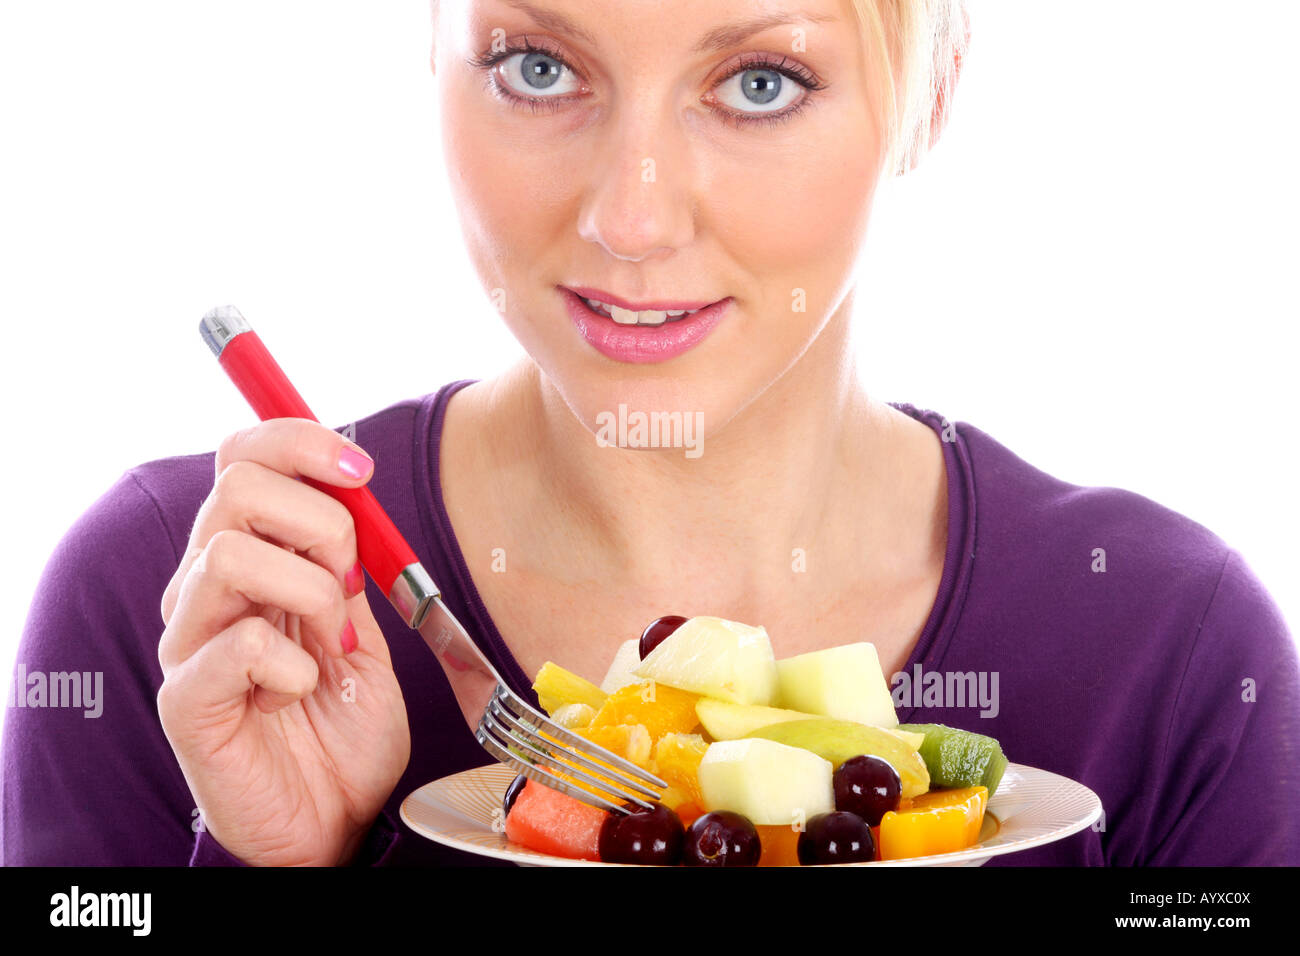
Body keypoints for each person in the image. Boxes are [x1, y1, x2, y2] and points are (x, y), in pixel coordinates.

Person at [4, 0, 1297, 867]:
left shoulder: (1172, 658)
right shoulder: (189, 614)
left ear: (936, 94)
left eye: (758, 81)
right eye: (538, 67)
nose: (631, 217)